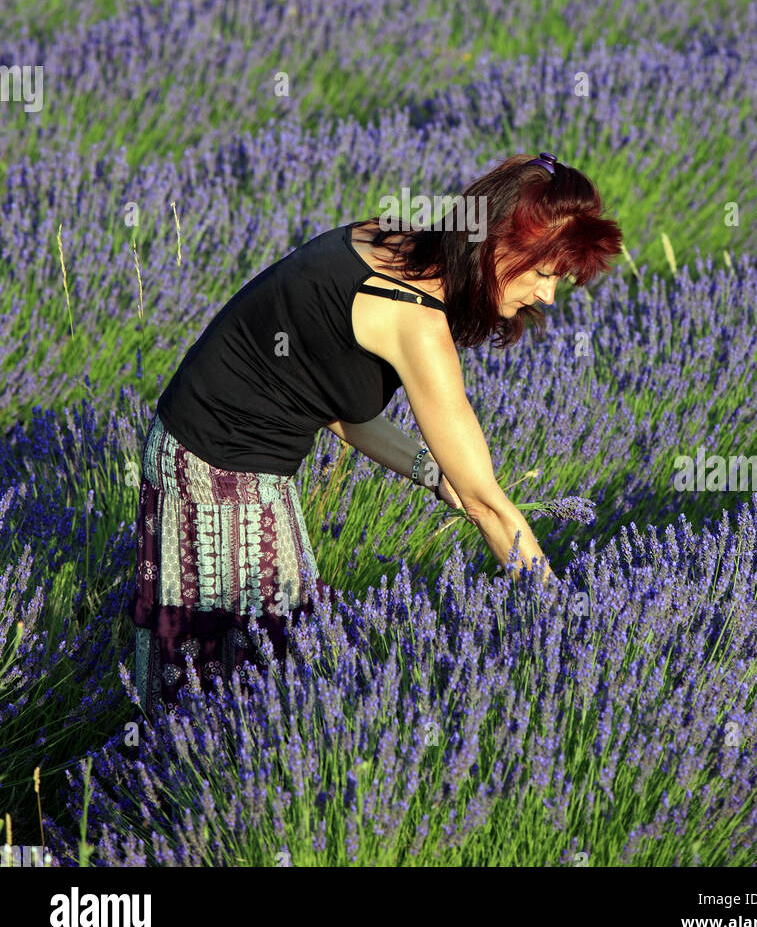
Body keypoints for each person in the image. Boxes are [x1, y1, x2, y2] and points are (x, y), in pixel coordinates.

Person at [127, 152, 622, 717]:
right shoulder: (414, 320)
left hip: (206, 453)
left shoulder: (392, 244)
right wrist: (563, 629)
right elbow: (489, 505)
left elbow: (336, 400)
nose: (548, 296)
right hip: (216, 470)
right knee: (243, 682)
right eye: (542, 273)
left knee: (268, 661)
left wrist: (432, 475)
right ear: (497, 243)